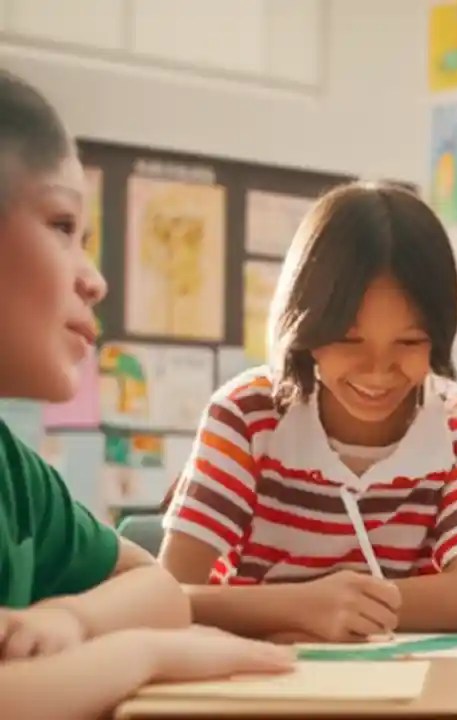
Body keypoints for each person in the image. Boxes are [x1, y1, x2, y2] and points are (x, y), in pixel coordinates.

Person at [0, 69, 293, 719]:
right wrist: (147, 655)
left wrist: (75, 618)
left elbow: (158, 587)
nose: (95, 280)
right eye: (61, 224)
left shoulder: (15, 474)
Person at [158, 182, 457, 641]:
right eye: (349, 340)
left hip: (407, 687)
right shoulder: (247, 416)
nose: (379, 372)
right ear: (303, 324)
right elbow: (170, 594)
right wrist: (304, 606)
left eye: (409, 343)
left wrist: (346, 605)